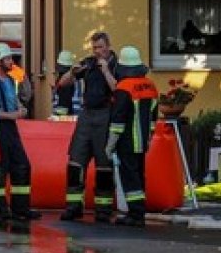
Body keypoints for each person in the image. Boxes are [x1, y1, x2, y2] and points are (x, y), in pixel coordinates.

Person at [56, 31, 120, 222]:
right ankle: (74, 206)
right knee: (75, 162)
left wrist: (106, 70)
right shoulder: (89, 62)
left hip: (105, 114)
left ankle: (104, 209)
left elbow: (117, 88)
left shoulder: (117, 64)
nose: (97, 52)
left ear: (108, 46)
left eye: (100, 47)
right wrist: (72, 72)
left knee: (104, 165)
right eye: (94, 48)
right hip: (86, 115)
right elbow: (62, 83)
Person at [106, 46, 158, 227]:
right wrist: (149, 137)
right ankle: (139, 211)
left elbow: (118, 120)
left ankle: (135, 214)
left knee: (129, 177)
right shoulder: (150, 86)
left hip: (127, 141)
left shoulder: (123, 88)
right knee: (139, 175)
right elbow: (153, 117)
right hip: (142, 140)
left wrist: (110, 144)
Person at [0, 42, 36, 222]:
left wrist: (21, 109)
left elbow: (15, 101)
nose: (11, 61)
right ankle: (0, 208)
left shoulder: (10, 81)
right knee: (0, 169)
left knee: (22, 165)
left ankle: (20, 208)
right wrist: (12, 114)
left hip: (12, 129)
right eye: (7, 58)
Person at [51, 50, 79, 116]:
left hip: (66, 115)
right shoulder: (76, 78)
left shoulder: (65, 80)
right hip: (75, 114)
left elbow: (64, 101)